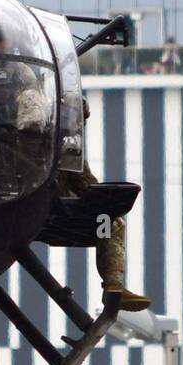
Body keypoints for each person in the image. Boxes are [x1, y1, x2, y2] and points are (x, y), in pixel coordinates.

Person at [59, 97, 151, 312]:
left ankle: (114, 290)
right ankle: (113, 288)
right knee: (111, 223)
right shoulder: (68, 148)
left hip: (28, 210)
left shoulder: (26, 137)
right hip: (57, 213)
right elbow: (85, 184)